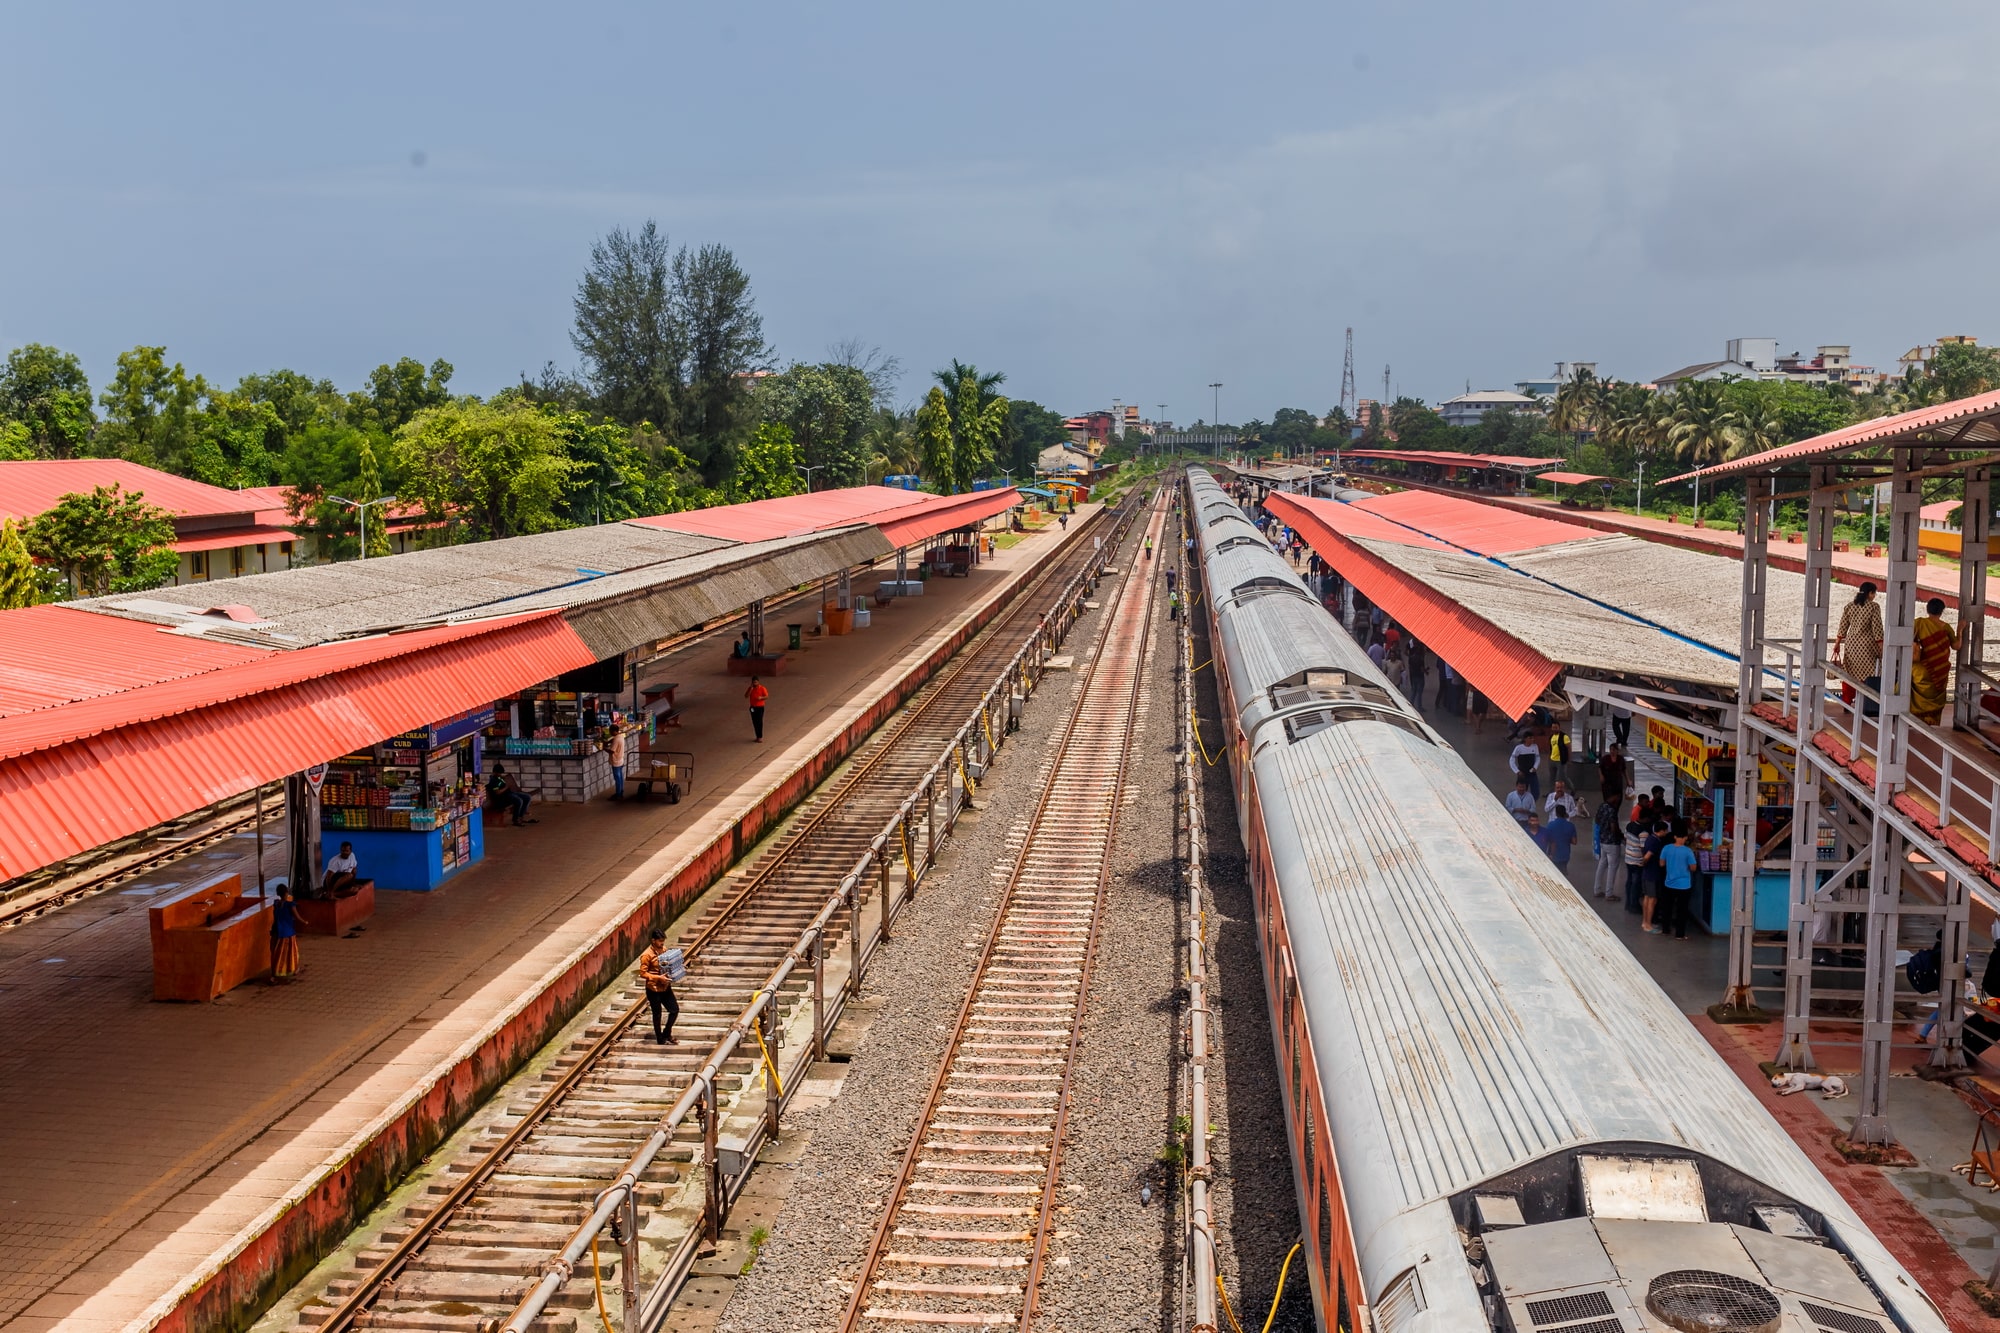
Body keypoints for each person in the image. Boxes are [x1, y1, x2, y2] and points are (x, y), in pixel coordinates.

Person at [1836, 581, 1884, 718]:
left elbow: (1843, 626)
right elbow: (1877, 628)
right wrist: (1881, 646)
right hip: (1867, 646)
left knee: (1850, 673)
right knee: (1868, 674)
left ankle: (1846, 701)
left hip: (1851, 645)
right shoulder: (1874, 607)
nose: (1874, 596)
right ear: (1870, 593)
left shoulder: (1850, 606)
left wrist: (1838, 642)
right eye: (1874, 593)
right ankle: (1865, 702)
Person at [1912, 597, 1957, 725]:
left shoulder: (1919, 623)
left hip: (1921, 668)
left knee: (1914, 688)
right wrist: (1960, 630)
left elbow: (1907, 638)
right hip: (1940, 671)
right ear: (1942, 611)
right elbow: (1956, 646)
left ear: (1928, 610)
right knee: (1937, 695)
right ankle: (1932, 721)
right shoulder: (1946, 627)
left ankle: (1915, 719)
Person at [638, 928, 679, 1045]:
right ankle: (660, 1039)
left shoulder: (664, 950)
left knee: (674, 1010)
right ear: (653, 940)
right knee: (657, 1014)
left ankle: (666, 1033)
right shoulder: (646, 955)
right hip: (653, 989)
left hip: (665, 986)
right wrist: (658, 978)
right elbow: (643, 973)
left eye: (663, 941)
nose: (662, 943)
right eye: (660, 941)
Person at [1658, 825, 1698, 939]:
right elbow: (1693, 868)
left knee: (1667, 908)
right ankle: (1680, 934)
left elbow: (1661, 864)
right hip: (1684, 885)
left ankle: (1665, 930)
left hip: (1669, 883)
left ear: (1674, 836)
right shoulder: (1688, 851)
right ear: (1685, 837)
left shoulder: (1666, 848)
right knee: (1682, 910)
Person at [1639, 820, 1671, 933]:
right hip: (1653, 874)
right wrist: (1643, 863)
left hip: (1647, 873)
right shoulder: (1656, 842)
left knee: (1647, 898)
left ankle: (1645, 922)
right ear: (1661, 831)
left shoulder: (1649, 838)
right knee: (1652, 900)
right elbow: (1647, 856)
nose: (1667, 832)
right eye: (1666, 830)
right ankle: (1648, 925)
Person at [1592, 795, 1625, 899]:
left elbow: (1597, 820)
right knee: (1612, 867)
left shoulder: (1602, 806)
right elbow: (1613, 827)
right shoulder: (1612, 811)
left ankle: (1597, 890)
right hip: (1612, 843)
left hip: (1603, 840)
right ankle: (1609, 893)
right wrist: (1620, 837)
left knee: (1602, 864)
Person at [1622, 803, 1651, 914]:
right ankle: (1634, 905)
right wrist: (1646, 860)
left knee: (1629, 881)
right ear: (1646, 818)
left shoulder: (1629, 825)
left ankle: (1628, 903)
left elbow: (1625, 838)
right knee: (1636, 883)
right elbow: (1644, 848)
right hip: (1637, 861)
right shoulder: (1643, 832)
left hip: (1628, 858)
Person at [269, 885, 300, 983]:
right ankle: (291, 969)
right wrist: (304, 922)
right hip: (288, 933)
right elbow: (297, 916)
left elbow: (275, 917)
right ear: (286, 893)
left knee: (276, 952)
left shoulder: (276, 904)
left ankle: (275, 973)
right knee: (291, 952)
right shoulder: (290, 905)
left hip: (278, 931)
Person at [1541, 804, 1577, 872]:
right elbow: (1574, 841)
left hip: (1553, 854)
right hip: (1565, 855)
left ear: (1556, 814)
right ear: (1565, 813)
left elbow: (1546, 839)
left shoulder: (1550, 825)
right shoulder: (1570, 825)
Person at [746, 675, 769, 742]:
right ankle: (757, 736)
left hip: (760, 707)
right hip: (753, 707)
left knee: (759, 721)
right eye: (753, 682)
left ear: (758, 682)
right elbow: (746, 696)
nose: (755, 684)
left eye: (756, 682)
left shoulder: (762, 688)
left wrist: (761, 698)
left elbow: (767, 696)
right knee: (754, 721)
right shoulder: (750, 688)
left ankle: (760, 736)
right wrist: (750, 689)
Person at [608, 728, 629, 800]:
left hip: (616, 761)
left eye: (611, 731)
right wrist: (609, 741)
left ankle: (618, 794)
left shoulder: (616, 740)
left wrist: (604, 748)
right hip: (620, 760)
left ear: (614, 731)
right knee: (620, 778)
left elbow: (612, 751)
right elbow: (614, 740)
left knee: (617, 778)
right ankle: (621, 792)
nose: (610, 733)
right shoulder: (620, 736)